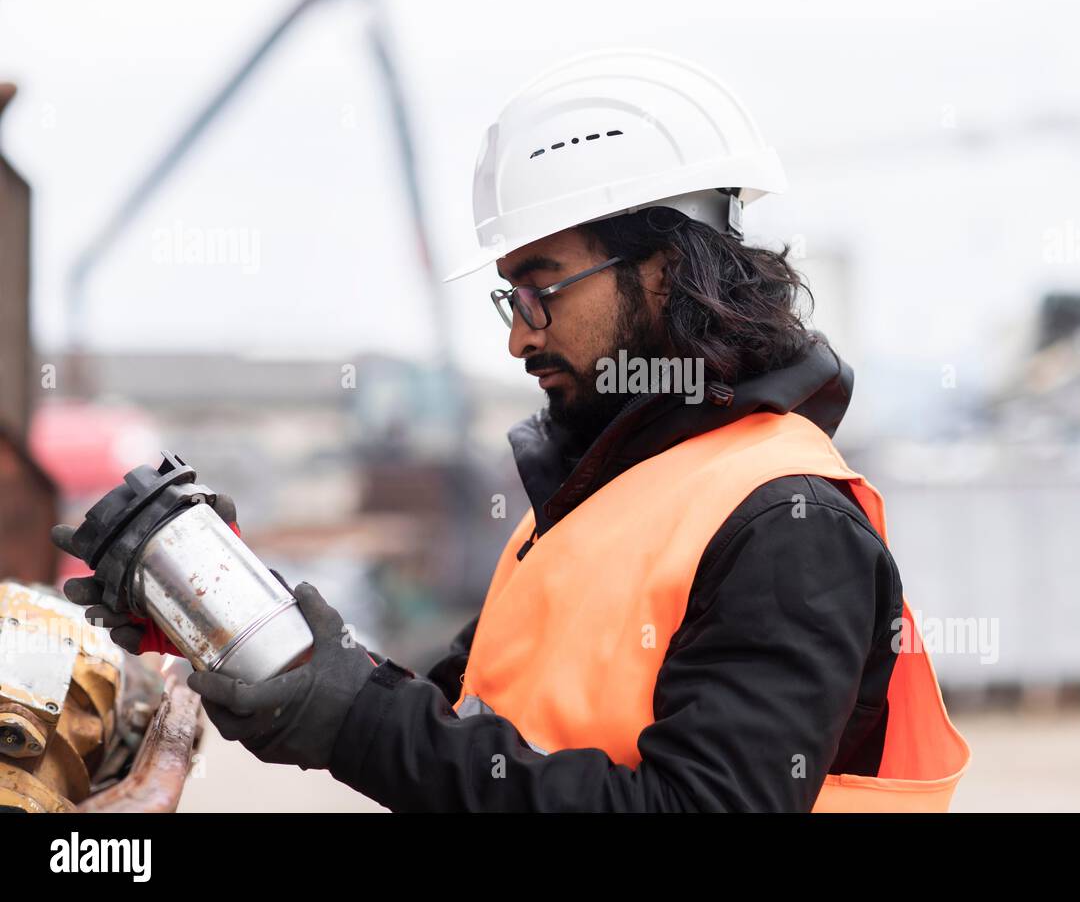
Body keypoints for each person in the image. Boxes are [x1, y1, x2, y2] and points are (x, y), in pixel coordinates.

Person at [61, 49, 969, 811]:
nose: (517, 334)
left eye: (542, 286)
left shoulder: (786, 522)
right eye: (510, 294)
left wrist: (356, 720)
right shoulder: (596, 507)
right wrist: (223, 618)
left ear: (664, 269)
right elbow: (450, 732)